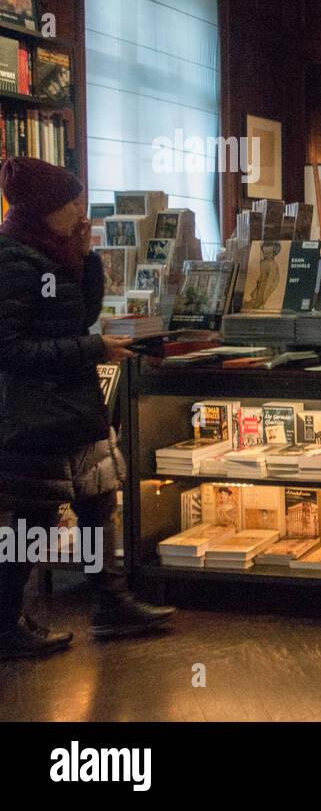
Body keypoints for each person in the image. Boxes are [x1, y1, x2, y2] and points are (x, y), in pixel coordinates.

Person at [0, 157, 175, 659]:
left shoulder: (54, 253)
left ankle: (110, 603)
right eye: (71, 202)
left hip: (71, 406)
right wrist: (93, 351)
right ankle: (6, 622)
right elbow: (9, 350)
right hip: (34, 415)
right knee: (34, 521)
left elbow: (84, 316)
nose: (81, 210)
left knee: (97, 505)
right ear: (42, 207)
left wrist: (88, 256)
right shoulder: (13, 260)